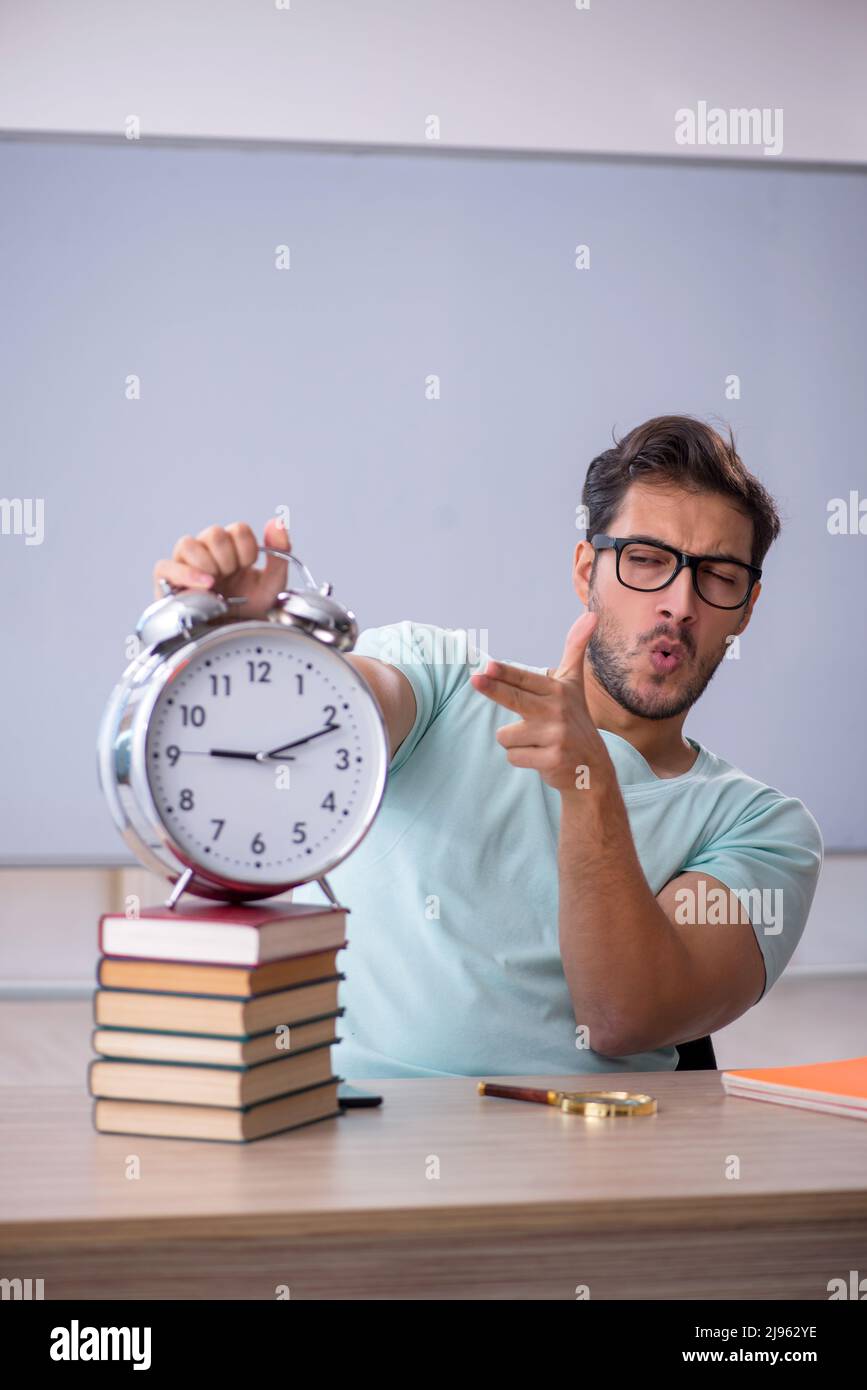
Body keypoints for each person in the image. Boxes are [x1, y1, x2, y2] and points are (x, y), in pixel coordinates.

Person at [152, 414, 823, 1079]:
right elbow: (324, 731)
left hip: (584, 1165)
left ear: (747, 606)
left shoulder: (761, 828)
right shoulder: (439, 675)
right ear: (586, 568)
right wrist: (239, 647)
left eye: (717, 576)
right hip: (342, 1149)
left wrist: (588, 785)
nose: (679, 602)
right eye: (646, 560)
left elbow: (624, 1016)